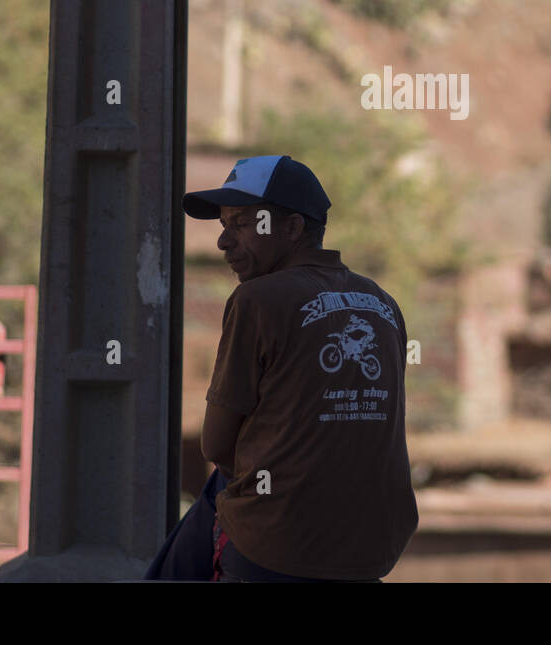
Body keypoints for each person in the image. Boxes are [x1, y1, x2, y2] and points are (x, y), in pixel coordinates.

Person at [144, 155, 419, 582]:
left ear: (292, 228)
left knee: (219, 492)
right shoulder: (383, 302)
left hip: (279, 546)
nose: (223, 241)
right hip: (376, 546)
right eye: (223, 224)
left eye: (243, 224)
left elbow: (215, 445)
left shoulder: (259, 300)